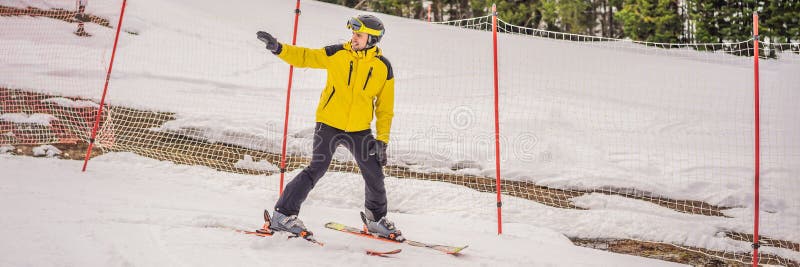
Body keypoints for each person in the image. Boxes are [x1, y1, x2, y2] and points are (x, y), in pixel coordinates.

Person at [256, 14, 400, 241]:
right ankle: (282, 215)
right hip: (329, 124)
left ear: (372, 39)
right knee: (317, 167)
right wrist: (279, 48)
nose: (353, 38)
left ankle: (376, 220)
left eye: (359, 35)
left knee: (374, 173)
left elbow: (385, 108)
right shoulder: (337, 53)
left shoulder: (383, 67)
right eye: (353, 33)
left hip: (360, 130)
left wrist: (382, 139)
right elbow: (306, 57)